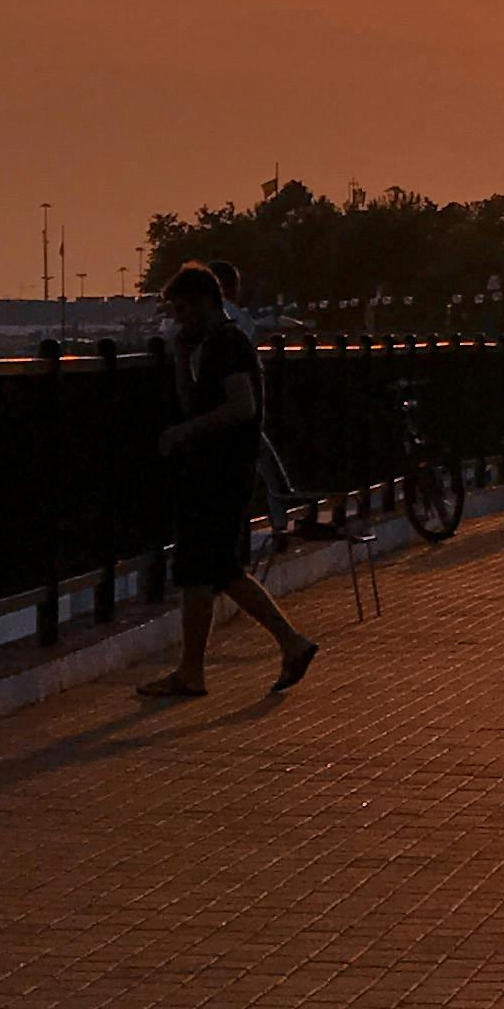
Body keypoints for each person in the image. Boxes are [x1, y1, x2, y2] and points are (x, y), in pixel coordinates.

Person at [137, 265, 319, 703]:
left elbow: (241, 407)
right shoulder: (211, 346)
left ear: (203, 303)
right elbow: (192, 403)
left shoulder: (229, 344)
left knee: (210, 567)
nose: (179, 320)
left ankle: (280, 645)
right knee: (209, 570)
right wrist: (181, 360)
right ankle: (199, 669)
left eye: (183, 311)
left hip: (221, 473)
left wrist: (186, 432)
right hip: (215, 471)